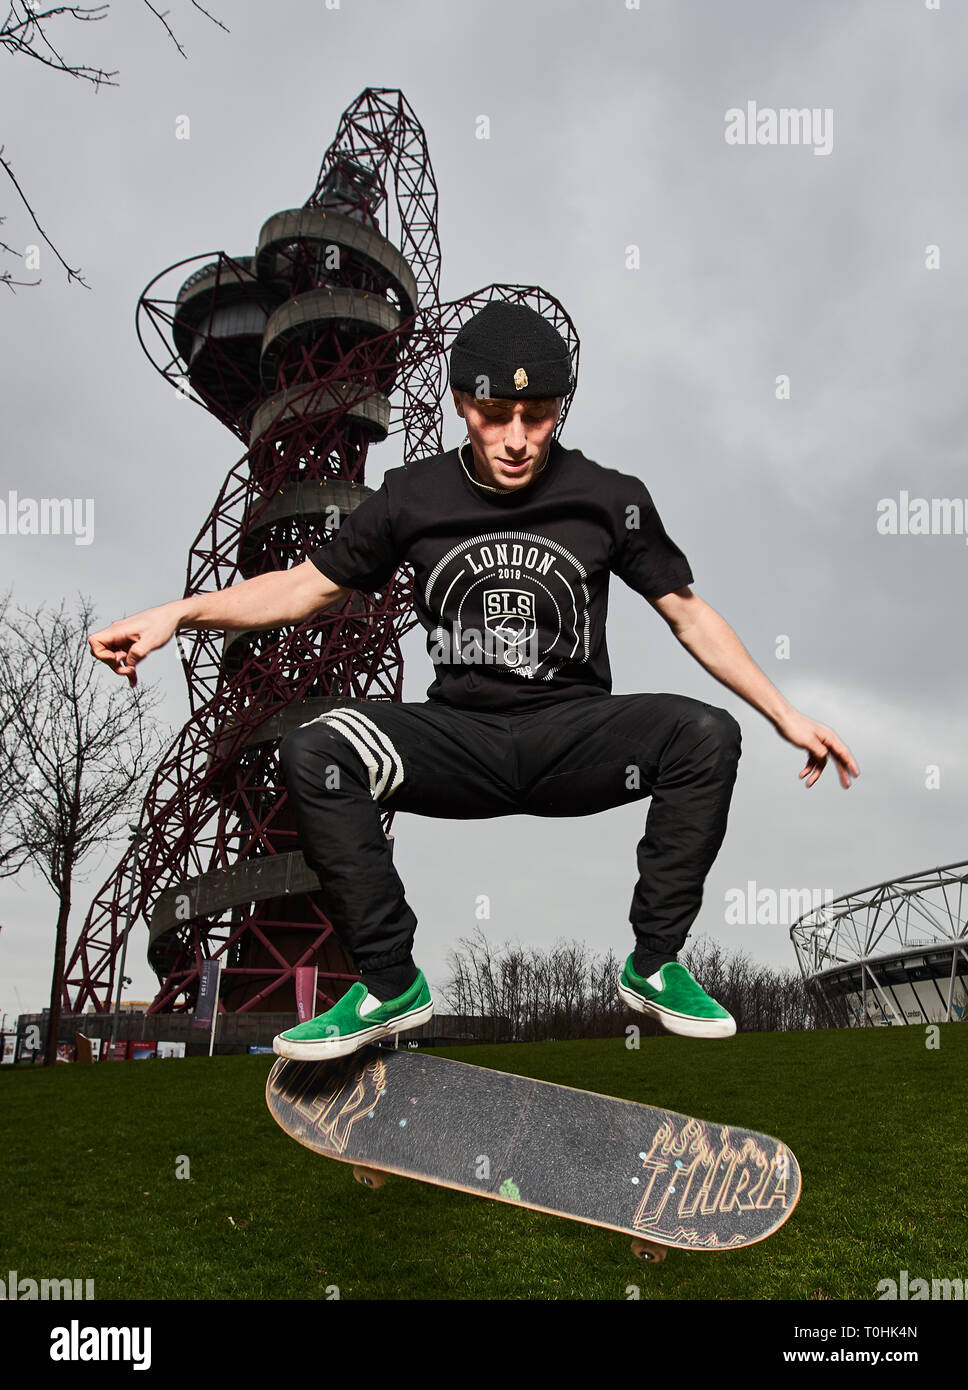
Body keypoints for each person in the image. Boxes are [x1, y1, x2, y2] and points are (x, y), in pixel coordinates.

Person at [89, 301, 859, 1060]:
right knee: (315, 745)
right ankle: (389, 980)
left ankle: (654, 963)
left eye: (539, 416)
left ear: (561, 409)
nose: (518, 440)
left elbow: (688, 614)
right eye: (495, 415)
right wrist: (182, 614)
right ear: (463, 402)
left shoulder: (608, 496)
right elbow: (301, 588)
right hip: (457, 741)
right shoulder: (411, 498)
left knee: (706, 734)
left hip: (573, 738)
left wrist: (784, 714)